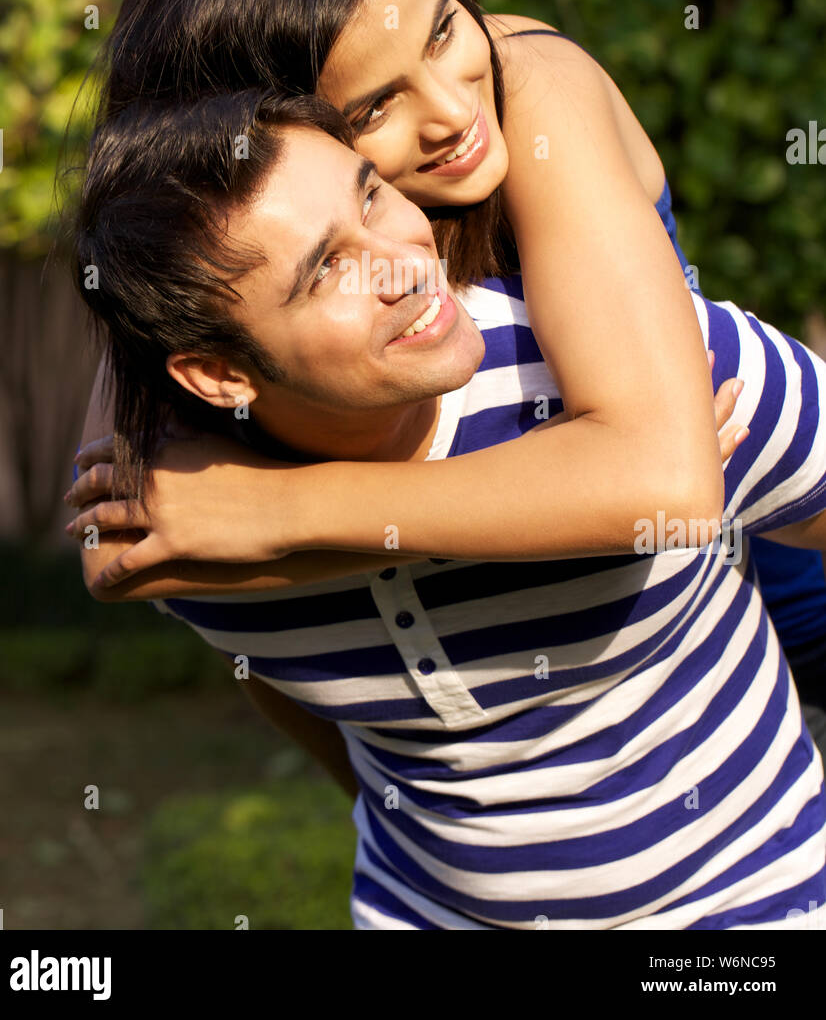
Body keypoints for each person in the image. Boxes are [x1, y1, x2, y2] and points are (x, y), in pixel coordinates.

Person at [77, 0, 826, 731]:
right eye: (371, 110)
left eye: (439, 31)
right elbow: (124, 549)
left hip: (781, 556)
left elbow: (662, 482)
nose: (451, 111)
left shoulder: (531, 87)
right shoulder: (255, 249)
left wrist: (277, 512)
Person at [67, 88, 826, 930]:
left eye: (372, 194)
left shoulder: (635, 377)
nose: (403, 261)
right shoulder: (187, 519)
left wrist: (290, 511)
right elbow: (278, 673)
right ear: (217, 376)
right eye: (326, 270)